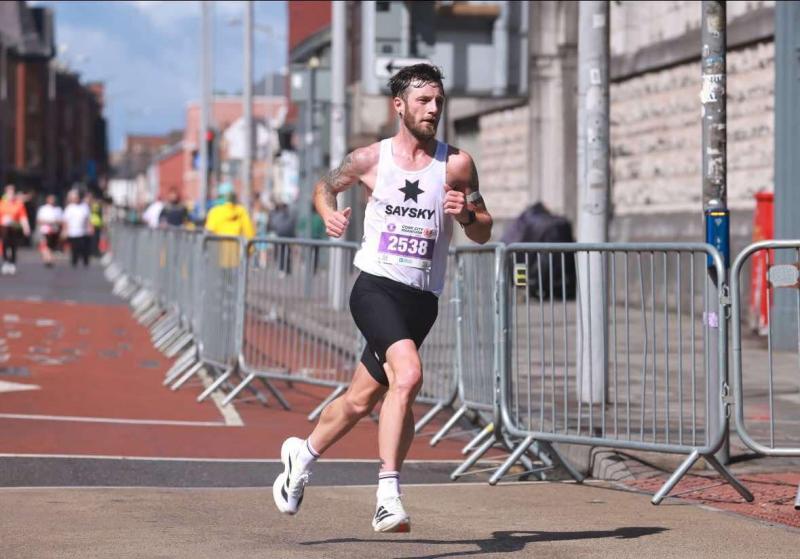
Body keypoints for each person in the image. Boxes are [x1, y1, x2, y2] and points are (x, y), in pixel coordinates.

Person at [272, 64, 493, 533]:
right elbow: (324, 186)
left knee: (360, 400)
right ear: (400, 105)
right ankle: (387, 495)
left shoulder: (457, 164)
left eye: (438, 101)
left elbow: (482, 230)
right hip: (374, 287)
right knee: (408, 375)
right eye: (423, 101)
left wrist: (468, 214)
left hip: (421, 299)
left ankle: (302, 454)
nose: (433, 109)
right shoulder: (369, 159)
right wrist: (329, 215)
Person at [0, 184, 31, 275]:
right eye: (9, 192)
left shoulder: (18, 204)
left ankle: (12, 263)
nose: (10, 194)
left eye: (12, 192)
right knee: (5, 244)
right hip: (4, 227)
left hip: (15, 227)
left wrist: (26, 227)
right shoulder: (2, 203)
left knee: (13, 245)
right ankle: (6, 262)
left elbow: (23, 217)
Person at [62, 190, 93, 268]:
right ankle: (74, 261)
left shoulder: (84, 207)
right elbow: (65, 220)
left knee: (83, 247)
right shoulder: (69, 208)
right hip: (73, 231)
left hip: (83, 231)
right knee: (74, 247)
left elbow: (88, 219)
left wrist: (90, 227)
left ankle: (85, 261)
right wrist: (65, 230)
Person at [267, 200, 296, 274]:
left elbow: (274, 225)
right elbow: (292, 226)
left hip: (282, 236)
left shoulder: (280, 215)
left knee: (283, 253)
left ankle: (284, 268)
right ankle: (285, 268)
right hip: (286, 237)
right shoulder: (288, 215)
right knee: (285, 253)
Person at [36, 194, 63, 268]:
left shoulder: (58, 209)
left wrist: (55, 222)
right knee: (45, 245)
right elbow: (39, 220)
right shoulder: (43, 209)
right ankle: (48, 259)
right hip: (45, 230)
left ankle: (49, 258)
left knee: (51, 246)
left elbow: (61, 221)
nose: (52, 201)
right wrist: (48, 222)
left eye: (53, 199)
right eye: (50, 199)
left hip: (54, 231)